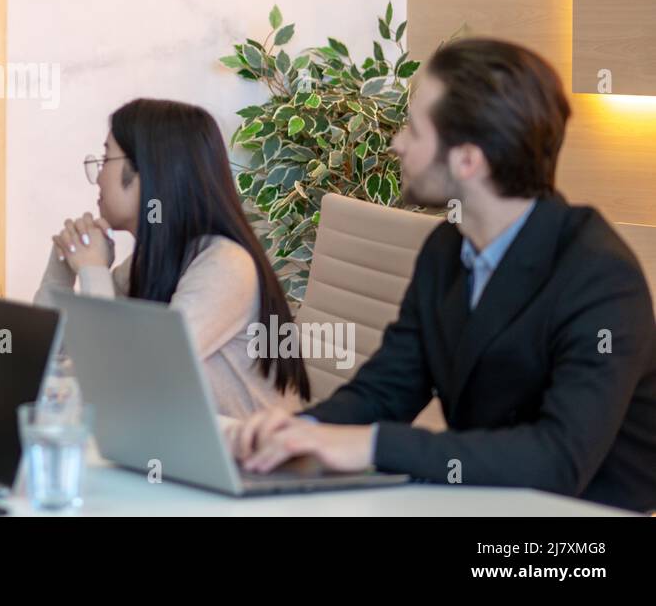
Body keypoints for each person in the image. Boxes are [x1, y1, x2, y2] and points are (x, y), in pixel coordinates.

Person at [234, 38, 656, 512]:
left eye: (414, 130)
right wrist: (303, 432)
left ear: (467, 159)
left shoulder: (600, 277)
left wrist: (370, 446)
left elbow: (556, 460)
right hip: (480, 502)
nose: (397, 142)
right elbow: (389, 387)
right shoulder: (446, 248)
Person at [36, 98, 309, 416]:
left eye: (105, 158)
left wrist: (93, 272)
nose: (97, 177)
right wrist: (63, 266)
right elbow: (50, 357)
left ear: (148, 171)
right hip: (180, 445)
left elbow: (128, 384)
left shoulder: (226, 266)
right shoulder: (149, 263)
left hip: (252, 457)